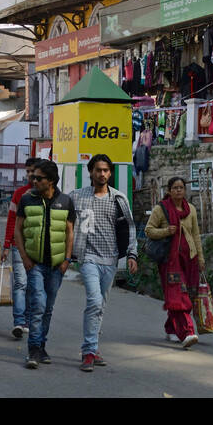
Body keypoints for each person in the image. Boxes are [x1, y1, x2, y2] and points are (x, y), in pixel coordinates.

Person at [69, 154, 139, 371]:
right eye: (98, 170)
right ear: (90, 172)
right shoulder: (76, 197)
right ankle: (88, 351)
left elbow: (130, 227)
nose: (102, 174)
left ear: (110, 173)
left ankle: (93, 347)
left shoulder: (119, 199)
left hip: (110, 259)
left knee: (101, 306)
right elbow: (66, 225)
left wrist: (132, 255)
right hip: (87, 257)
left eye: (106, 170)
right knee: (94, 302)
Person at [15, 159, 76, 368]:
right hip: (35, 264)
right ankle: (33, 350)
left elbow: (70, 232)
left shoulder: (66, 201)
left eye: (38, 178)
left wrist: (67, 259)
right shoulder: (26, 199)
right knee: (38, 305)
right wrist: (24, 257)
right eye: (33, 177)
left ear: (50, 181)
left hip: (57, 265)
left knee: (48, 307)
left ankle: (41, 346)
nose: (33, 180)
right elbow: (18, 229)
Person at [146, 176, 205, 349]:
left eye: (181, 187)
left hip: (190, 259)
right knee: (179, 295)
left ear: (185, 190)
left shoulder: (191, 210)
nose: (178, 190)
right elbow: (149, 230)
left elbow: (196, 235)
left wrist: (200, 258)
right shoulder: (161, 209)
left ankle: (171, 327)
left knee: (186, 294)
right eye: (175, 188)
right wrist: (166, 231)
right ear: (169, 191)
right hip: (170, 261)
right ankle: (187, 332)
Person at [2, 158, 36, 339]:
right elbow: (11, 221)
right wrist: (7, 244)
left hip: (37, 247)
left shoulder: (46, 194)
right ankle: (19, 321)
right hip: (18, 245)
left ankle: (30, 320)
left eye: (33, 171)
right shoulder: (19, 194)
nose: (30, 175)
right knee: (20, 283)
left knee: (33, 284)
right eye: (28, 171)